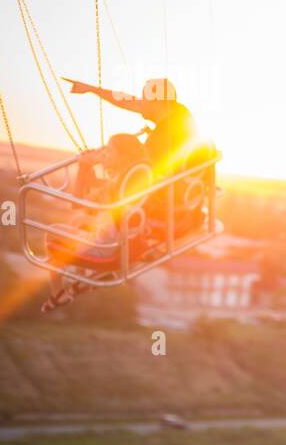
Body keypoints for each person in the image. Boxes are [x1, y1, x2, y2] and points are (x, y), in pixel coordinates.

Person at [40, 133, 149, 311]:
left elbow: (76, 202)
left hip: (104, 247)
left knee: (52, 232)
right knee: (79, 220)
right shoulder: (129, 182)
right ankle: (81, 279)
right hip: (116, 240)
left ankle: (58, 293)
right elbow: (95, 191)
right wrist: (91, 167)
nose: (105, 156)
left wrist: (83, 168)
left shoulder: (115, 186)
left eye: (109, 153)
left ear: (123, 157)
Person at [64, 77, 198, 177]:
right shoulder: (179, 112)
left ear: (158, 103)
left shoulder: (161, 137)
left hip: (162, 196)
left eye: (144, 99)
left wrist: (99, 159)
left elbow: (138, 173)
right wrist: (91, 89)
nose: (140, 103)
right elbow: (127, 101)